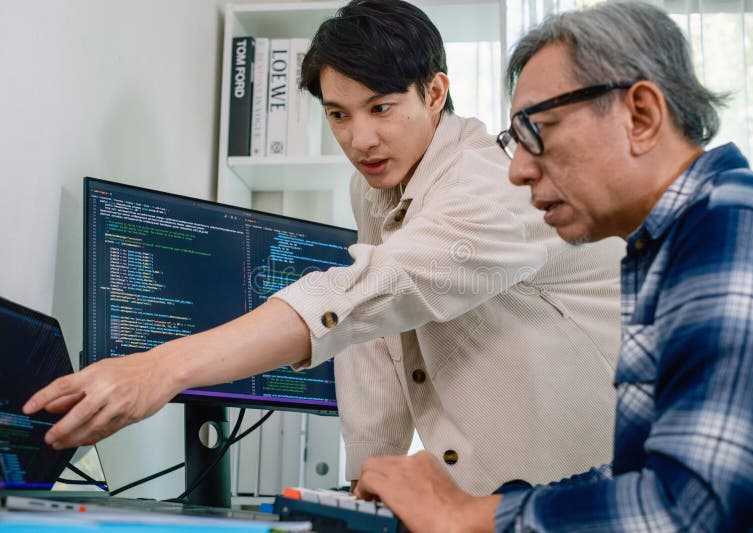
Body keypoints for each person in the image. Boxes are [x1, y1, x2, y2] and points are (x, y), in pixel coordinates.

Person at [23, 0, 625, 496]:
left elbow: (375, 291)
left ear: (435, 92)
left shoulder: (491, 182)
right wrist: (366, 480)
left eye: (381, 108)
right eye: (339, 114)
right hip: (502, 494)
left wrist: (159, 367)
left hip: (602, 482)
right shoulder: (374, 189)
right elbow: (377, 344)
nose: (361, 139)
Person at [353, 2, 753, 531]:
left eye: (537, 130)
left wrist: (468, 514)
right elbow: (638, 477)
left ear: (641, 116)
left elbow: (691, 507)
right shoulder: (664, 249)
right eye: (514, 140)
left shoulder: (734, 222)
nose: (517, 170)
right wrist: (475, 506)